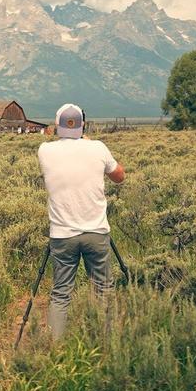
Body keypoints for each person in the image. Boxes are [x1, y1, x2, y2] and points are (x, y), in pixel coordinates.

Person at [37, 103, 126, 340]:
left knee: (61, 293)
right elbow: (120, 176)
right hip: (96, 231)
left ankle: (56, 348)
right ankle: (105, 343)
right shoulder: (97, 148)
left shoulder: (45, 151)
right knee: (104, 289)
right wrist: (86, 140)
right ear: (83, 125)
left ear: (57, 127)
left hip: (62, 235)